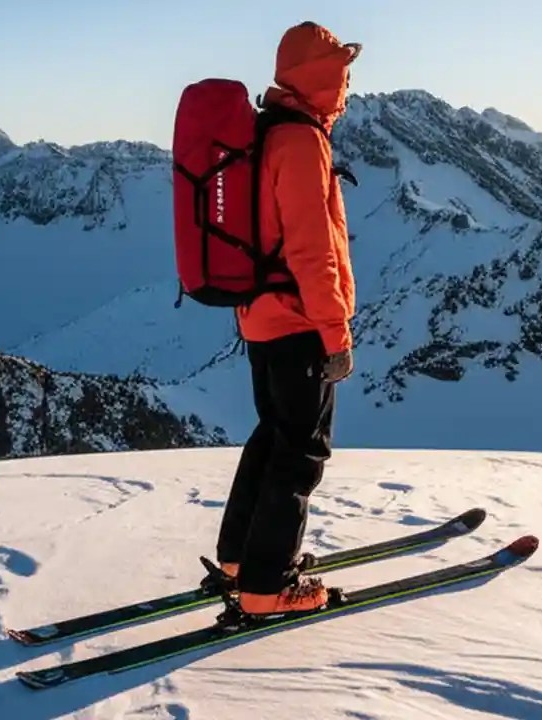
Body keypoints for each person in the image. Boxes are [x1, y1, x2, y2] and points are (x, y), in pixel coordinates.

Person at [213, 21, 360, 616]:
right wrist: (335, 335)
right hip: (298, 320)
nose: (348, 85)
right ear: (322, 79)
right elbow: (311, 251)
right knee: (301, 451)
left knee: (275, 436)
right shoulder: (301, 142)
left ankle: (241, 558)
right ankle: (266, 588)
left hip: (262, 317)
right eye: (342, 74)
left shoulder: (267, 130)